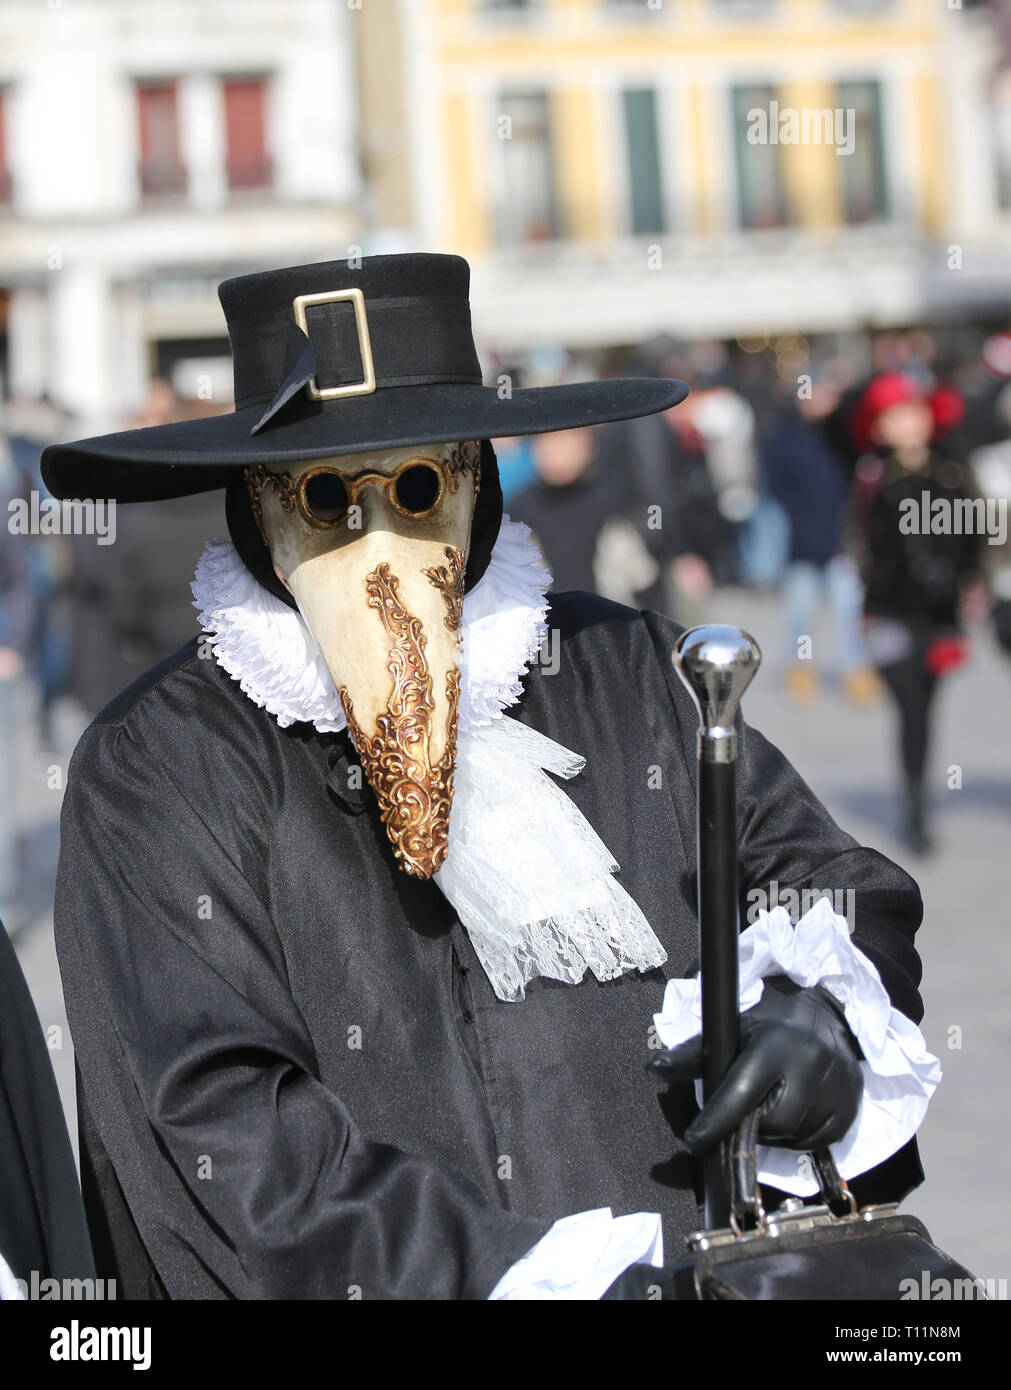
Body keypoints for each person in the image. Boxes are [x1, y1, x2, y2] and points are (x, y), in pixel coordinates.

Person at [42, 254, 935, 1300]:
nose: (383, 554)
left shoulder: (630, 673)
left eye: (417, 486)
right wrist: (532, 1282)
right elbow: (216, 1124)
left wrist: (815, 1008)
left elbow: (818, 877)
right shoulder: (161, 764)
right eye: (327, 497)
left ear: (475, 482)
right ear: (256, 507)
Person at [844, 372, 985, 854]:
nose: (906, 423)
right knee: (910, 710)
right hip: (889, 612)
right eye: (894, 415)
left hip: (941, 616)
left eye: (913, 411)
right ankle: (916, 807)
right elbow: (859, 543)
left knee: (927, 708)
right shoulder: (872, 478)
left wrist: (967, 582)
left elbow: (975, 536)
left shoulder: (953, 474)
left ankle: (917, 794)